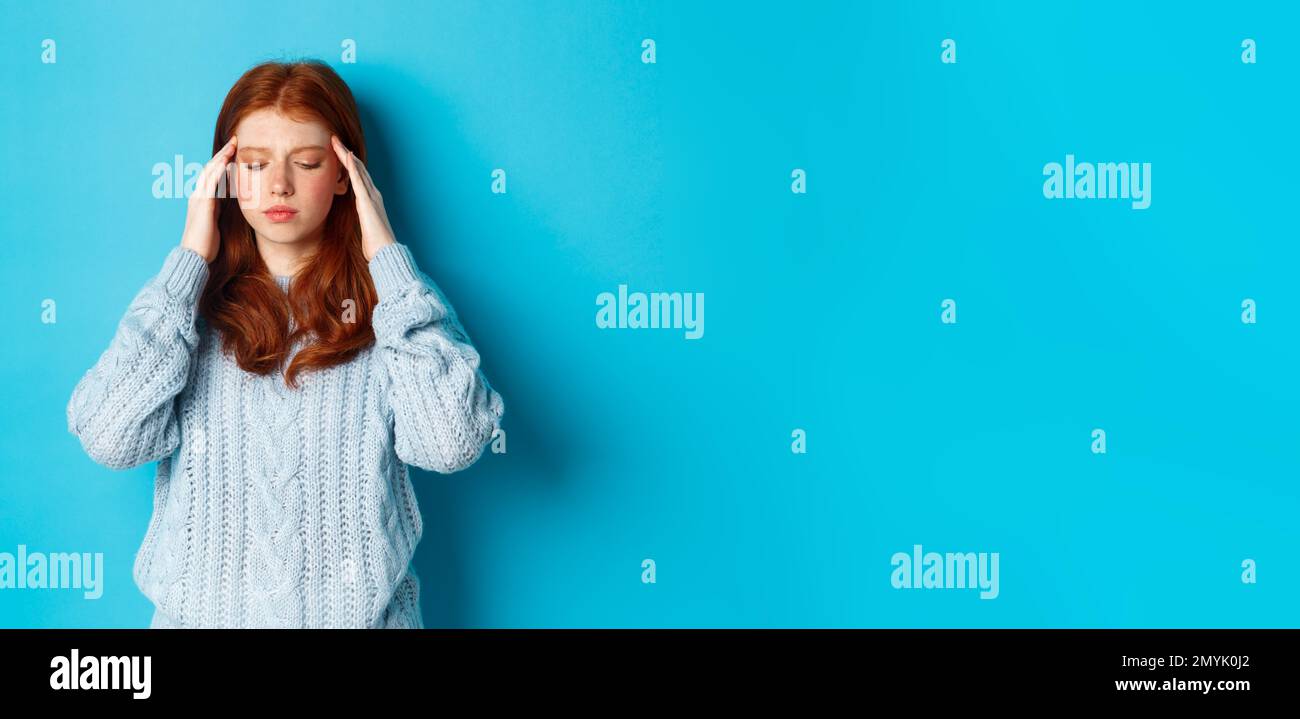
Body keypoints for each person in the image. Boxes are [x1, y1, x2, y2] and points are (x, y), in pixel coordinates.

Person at [66, 59, 505, 628]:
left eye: (306, 161)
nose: (279, 184)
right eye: (254, 164)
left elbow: (451, 443)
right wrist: (188, 261)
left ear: (346, 173)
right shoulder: (187, 312)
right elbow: (109, 437)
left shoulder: (396, 310)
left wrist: (386, 258)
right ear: (224, 176)